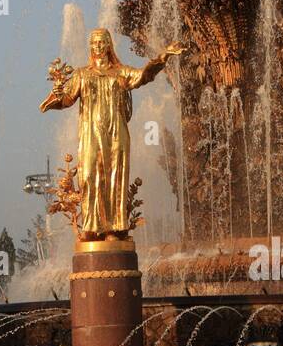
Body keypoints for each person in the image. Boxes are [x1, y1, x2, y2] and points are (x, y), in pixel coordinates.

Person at [39, 29, 180, 240]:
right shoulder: (81, 74)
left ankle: (114, 228)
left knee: (116, 176)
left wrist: (163, 57)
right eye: (93, 43)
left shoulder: (121, 72)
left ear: (108, 45)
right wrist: (55, 94)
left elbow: (144, 75)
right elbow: (66, 100)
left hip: (117, 132)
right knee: (89, 175)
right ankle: (92, 226)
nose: (97, 46)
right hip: (90, 134)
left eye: (101, 42)